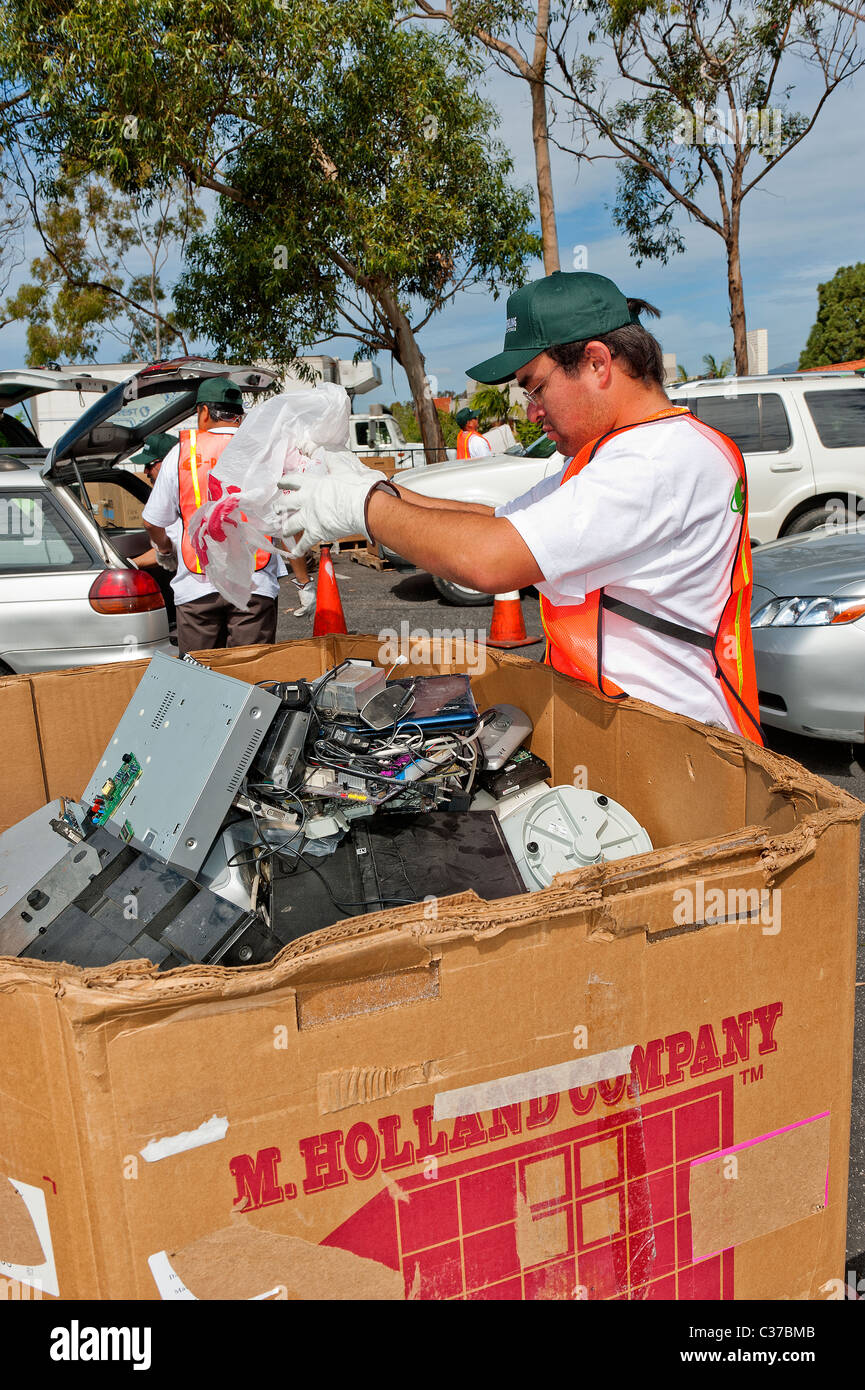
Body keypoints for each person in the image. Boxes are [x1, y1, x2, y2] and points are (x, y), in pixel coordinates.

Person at [275, 271, 762, 743]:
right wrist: (373, 484)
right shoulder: (622, 452)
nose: (532, 410)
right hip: (627, 725)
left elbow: (491, 558)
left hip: (675, 741)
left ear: (596, 362)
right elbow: (497, 522)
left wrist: (361, 507)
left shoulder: (658, 460)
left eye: (535, 386)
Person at [142, 379, 288, 654]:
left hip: (197, 587)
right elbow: (290, 514)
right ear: (239, 414)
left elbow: (153, 521)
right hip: (254, 583)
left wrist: (164, 550)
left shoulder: (181, 453)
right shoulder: (266, 451)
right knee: (252, 678)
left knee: (202, 680)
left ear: (204, 412)